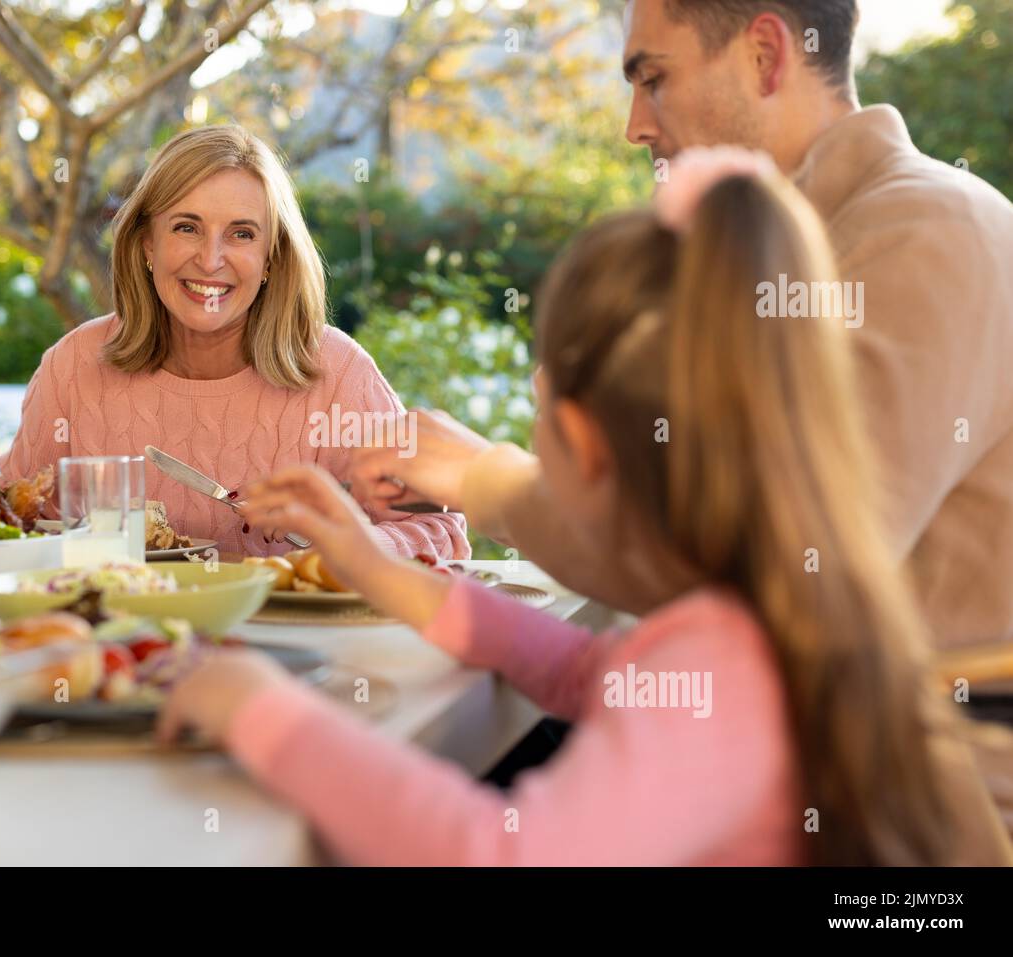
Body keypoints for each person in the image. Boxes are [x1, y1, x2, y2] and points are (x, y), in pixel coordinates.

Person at [158, 156, 1011, 865]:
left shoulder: (724, 663)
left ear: (578, 437)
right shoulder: (763, 622)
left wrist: (257, 706)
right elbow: (581, 671)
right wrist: (371, 564)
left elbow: (493, 853)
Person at [350, 0, 1013, 648]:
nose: (635, 126)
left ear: (765, 56)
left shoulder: (930, 233)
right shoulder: (776, 259)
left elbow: (776, 567)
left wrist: (485, 480)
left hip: (922, 753)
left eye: (654, 79)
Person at [0, 125, 468, 559]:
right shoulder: (74, 365)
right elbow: (10, 524)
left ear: (270, 258)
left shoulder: (338, 372)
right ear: (146, 244)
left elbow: (439, 532)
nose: (210, 259)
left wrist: (343, 540)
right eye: (187, 227)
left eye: (241, 234)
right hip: (122, 637)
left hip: (297, 648)